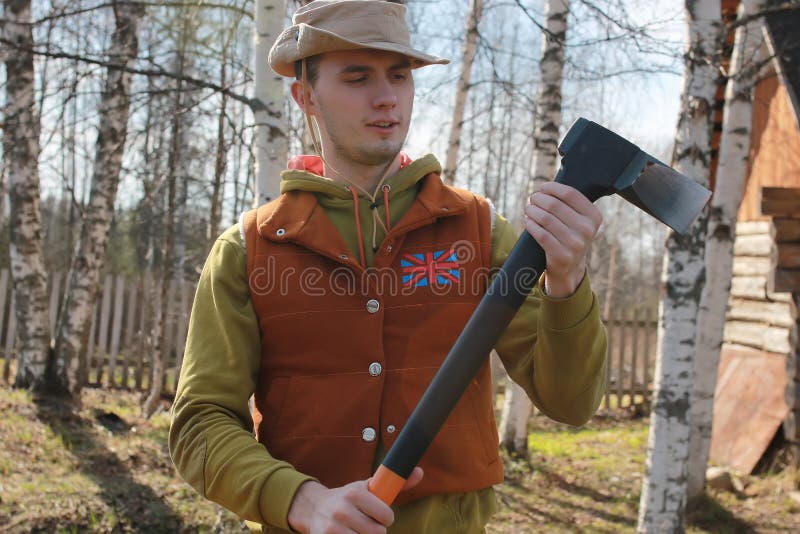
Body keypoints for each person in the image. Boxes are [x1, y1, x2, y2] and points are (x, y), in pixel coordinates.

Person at [169, 1, 607, 532]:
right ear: (305, 96)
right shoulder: (249, 249)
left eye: (399, 77)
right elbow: (199, 424)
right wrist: (300, 500)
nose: (386, 98)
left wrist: (567, 281)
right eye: (357, 77)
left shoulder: (480, 231)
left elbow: (571, 402)